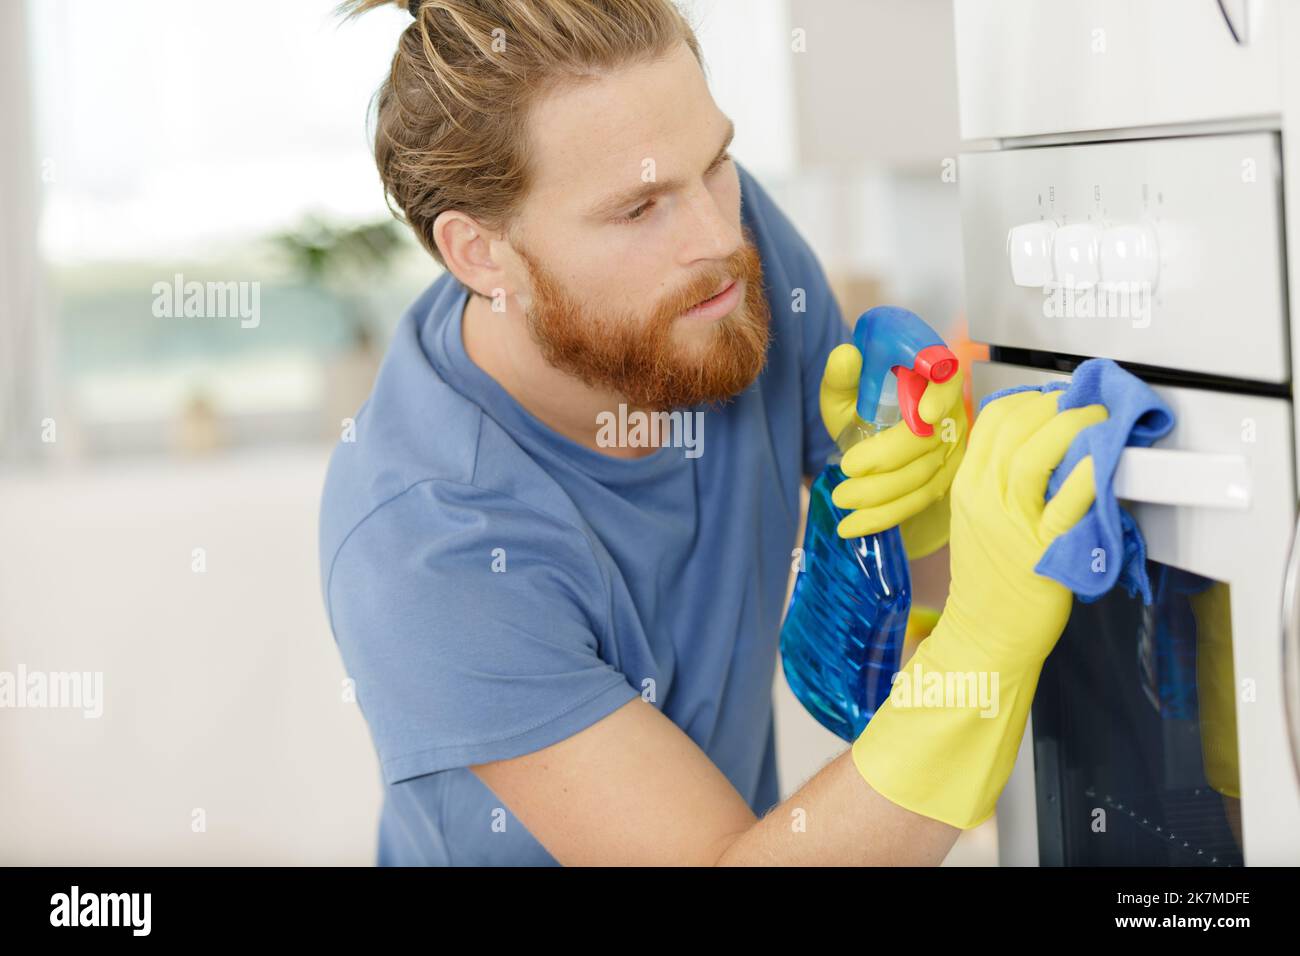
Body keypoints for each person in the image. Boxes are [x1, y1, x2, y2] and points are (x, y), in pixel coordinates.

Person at [319, 0, 1108, 865]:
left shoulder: (715, 261)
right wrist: (980, 653)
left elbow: (922, 571)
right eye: (637, 210)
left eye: (718, 161)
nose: (718, 236)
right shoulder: (429, 541)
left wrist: (938, 509)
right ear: (480, 255)